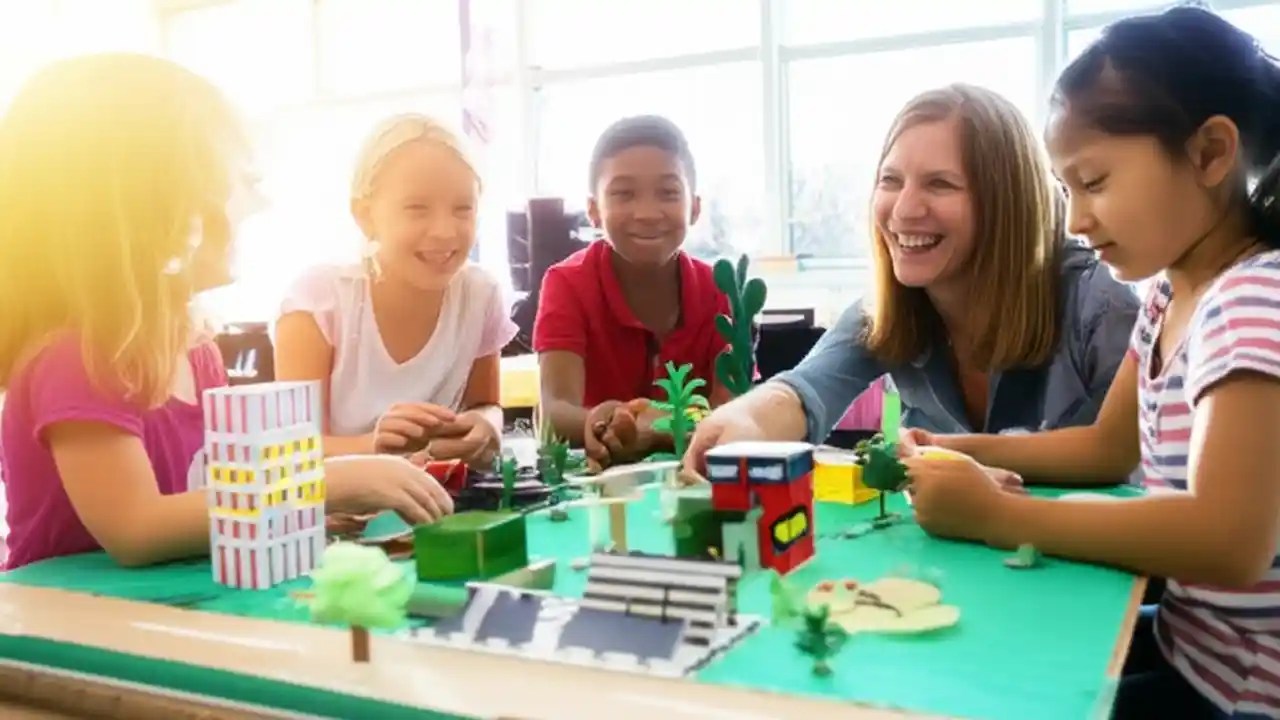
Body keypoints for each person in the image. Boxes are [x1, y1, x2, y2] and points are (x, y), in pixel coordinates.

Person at [901, 8, 1280, 717]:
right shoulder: (1172, 294)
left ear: (1209, 154)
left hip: (1243, 692)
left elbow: (1230, 541)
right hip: (1191, 646)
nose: (1075, 219)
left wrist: (999, 517)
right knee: (998, 661)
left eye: (1095, 181)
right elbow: (1109, 449)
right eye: (1067, 190)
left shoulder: (1254, 298)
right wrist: (955, 448)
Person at [0, 55, 453, 571]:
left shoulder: (195, 349)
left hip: (161, 612)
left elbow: (222, 489)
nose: (257, 202)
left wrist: (298, 509)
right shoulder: (79, 357)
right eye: (240, 180)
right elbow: (137, 527)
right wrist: (325, 485)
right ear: (155, 206)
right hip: (68, 634)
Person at [685, 84, 1138, 479]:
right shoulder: (887, 309)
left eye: (939, 184)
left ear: (1008, 203)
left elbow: (1119, 460)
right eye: (891, 180)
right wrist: (743, 421)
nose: (903, 210)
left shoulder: (1099, 305)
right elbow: (806, 389)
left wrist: (949, 454)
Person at [274, 114, 515, 467]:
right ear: (365, 215)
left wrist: (485, 425)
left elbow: (486, 404)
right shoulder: (318, 301)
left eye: (463, 209)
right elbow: (289, 450)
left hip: (439, 507)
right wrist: (374, 445)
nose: (445, 231)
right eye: (417, 209)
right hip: (343, 513)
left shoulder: (480, 295)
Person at [535, 115, 732, 470]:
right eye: (623, 194)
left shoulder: (719, 291)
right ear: (594, 210)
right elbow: (553, 411)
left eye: (668, 193)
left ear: (695, 207)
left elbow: (733, 412)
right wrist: (604, 421)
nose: (646, 213)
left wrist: (659, 427)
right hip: (598, 481)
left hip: (694, 477)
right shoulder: (567, 283)